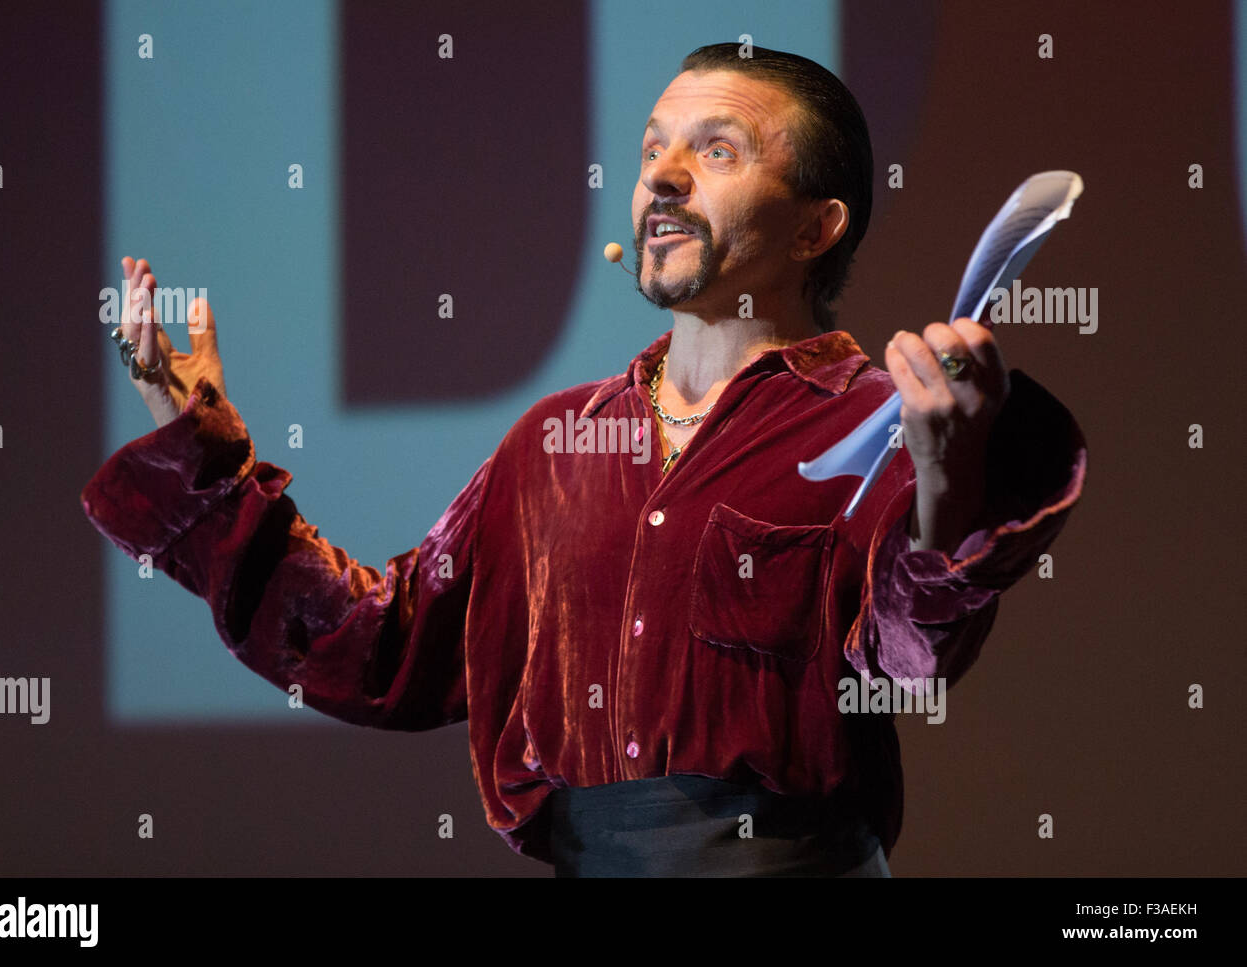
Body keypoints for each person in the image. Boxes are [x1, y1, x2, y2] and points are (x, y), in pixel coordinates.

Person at [82, 44, 1085, 877]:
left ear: (818, 226)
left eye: (718, 149)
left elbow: (905, 667)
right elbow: (378, 648)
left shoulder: (879, 422)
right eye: (652, 151)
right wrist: (201, 450)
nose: (661, 176)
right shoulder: (552, 441)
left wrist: (947, 476)